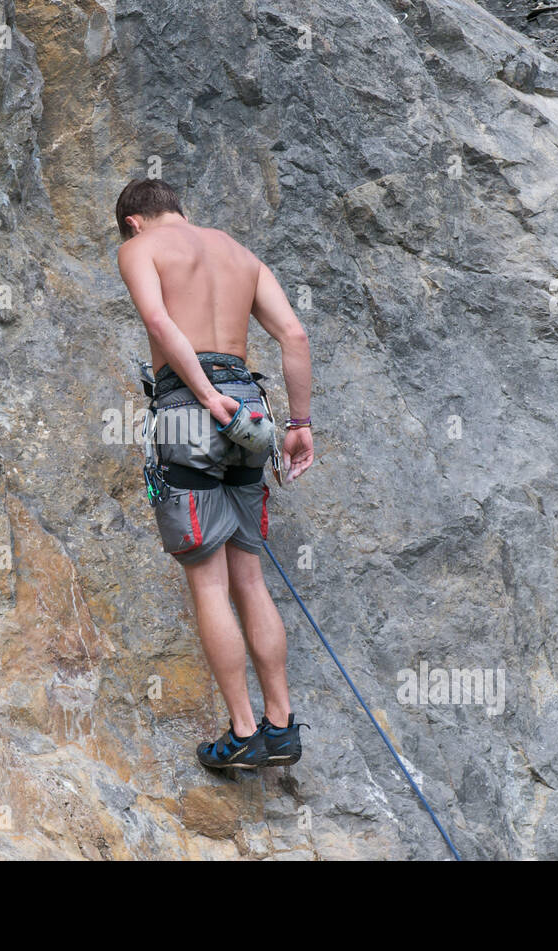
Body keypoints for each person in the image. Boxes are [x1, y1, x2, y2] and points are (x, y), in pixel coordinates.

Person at [115, 177, 315, 769]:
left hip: (190, 409)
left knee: (208, 583)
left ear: (133, 222)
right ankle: (282, 727)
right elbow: (294, 335)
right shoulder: (238, 253)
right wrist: (300, 423)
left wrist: (202, 394)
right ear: (180, 207)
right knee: (249, 579)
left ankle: (245, 734)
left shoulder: (139, 248)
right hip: (251, 414)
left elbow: (157, 321)